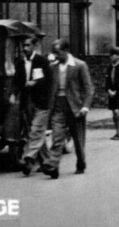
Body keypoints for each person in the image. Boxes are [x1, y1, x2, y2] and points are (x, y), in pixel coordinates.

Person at [41, 39, 93, 178]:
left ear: (66, 50)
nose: (55, 55)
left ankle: (81, 163)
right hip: (58, 106)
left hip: (75, 108)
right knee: (57, 138)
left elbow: (88, 88)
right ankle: (53, 166)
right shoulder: (53, 67)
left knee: (78, 140)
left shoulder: (79, 65)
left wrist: (85, 107)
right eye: (54, 52)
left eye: (58, 52)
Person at [15, 35, 51, 176]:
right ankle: (47, 163)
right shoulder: (20, 63)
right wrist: (14, 94)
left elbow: (48, 79)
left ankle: (28, 158)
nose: (25, 48)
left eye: (28, 45)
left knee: (36, 130)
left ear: (34, 46)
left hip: (41, 101)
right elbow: (17, 81)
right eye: (23, 45)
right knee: (36, 131)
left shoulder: (42, 61)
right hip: (27, 101)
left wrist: (35, 83)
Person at [107, 46, 119, 141]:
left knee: (117, 111)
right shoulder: (110, 67)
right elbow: (107, 80)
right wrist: (108, 90)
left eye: (113, 54)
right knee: (114, 113)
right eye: (110, 54)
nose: (111, 56)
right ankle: (117, 131)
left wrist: (116, 91)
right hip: (111, 93)